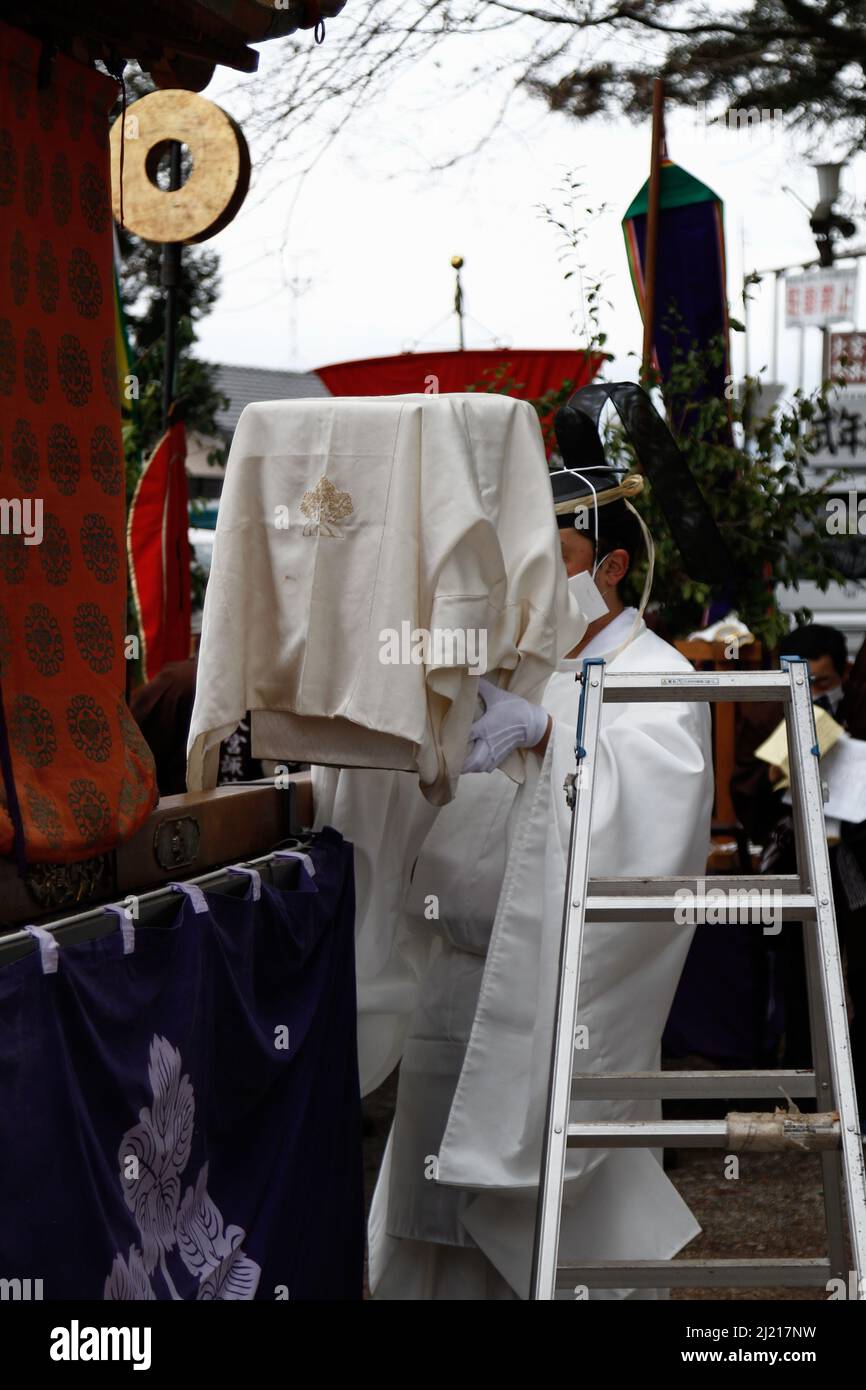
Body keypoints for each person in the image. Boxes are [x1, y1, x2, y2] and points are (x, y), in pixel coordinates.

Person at [329, 455, 715, 1300]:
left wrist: (548, 739)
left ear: (612, 567)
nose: (538, 578)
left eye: (562, 556)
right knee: (432, 1236)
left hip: (562, 1005)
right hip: (456, 986)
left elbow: (656, 831)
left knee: (554, 1252)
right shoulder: (514, 667)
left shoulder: (660, 675)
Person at [731, 623, 866, 1104]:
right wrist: (774, 774)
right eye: (804, 683)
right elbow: (744, 791)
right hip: (790, 857)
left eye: (824, 683)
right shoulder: (764, 711)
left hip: (852, 857)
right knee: (795, 967)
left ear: (844, 674)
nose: (815, 693)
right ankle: (804, 1080)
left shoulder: (857, 705)